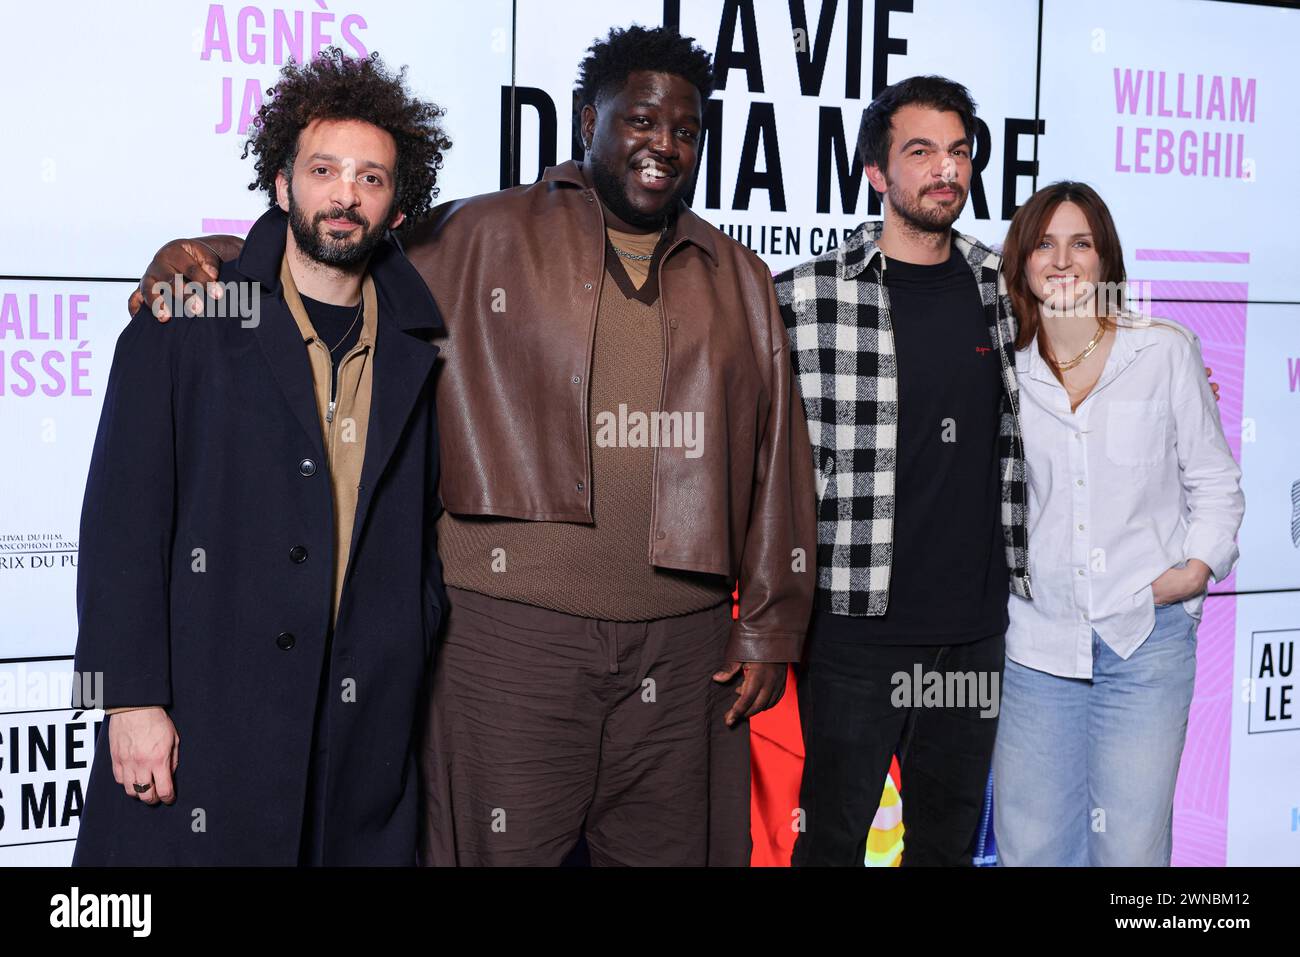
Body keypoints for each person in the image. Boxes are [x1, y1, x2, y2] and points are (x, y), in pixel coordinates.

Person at [129, 25, 815, 866]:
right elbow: (340, 246)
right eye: (640, 122)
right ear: (586, 122)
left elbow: (779, 451)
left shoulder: (738, 273)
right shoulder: (482, 233)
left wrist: (773, 623)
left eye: (684, 130)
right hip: (510, 641)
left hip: (685, 655)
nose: (662, 146)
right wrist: (209, 256)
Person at [74, 49, 450, 865]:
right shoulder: (189, 314)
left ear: (396, 203)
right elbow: (120, 520)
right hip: (207, 715)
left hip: (362, 734)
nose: (345, 194)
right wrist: (126, 701)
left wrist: (408, 643)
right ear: (281, 184)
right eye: (323, 169)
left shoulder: (420, 348)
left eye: (371, 177)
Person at [775, 75, 1024, 866]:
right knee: (830, 845)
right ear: (878, 174)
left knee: (948, 848)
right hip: (852, 632)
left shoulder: (1007, 292)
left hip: (976, 634)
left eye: (958, 152)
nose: (945, 169)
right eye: (920, 152)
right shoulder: (804, 299)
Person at [991, 181, 1244, 866]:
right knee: (1033, 848)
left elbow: (1215, 482)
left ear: (1106, 260)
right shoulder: (1000, 366)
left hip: (1146, 643)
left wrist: (1191, 574)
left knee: (1130, 849)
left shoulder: (1161, 350)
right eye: (1044, 243)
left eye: (1082, 243)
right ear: (1021, 259)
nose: (1063, 260)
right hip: (1037, 646)